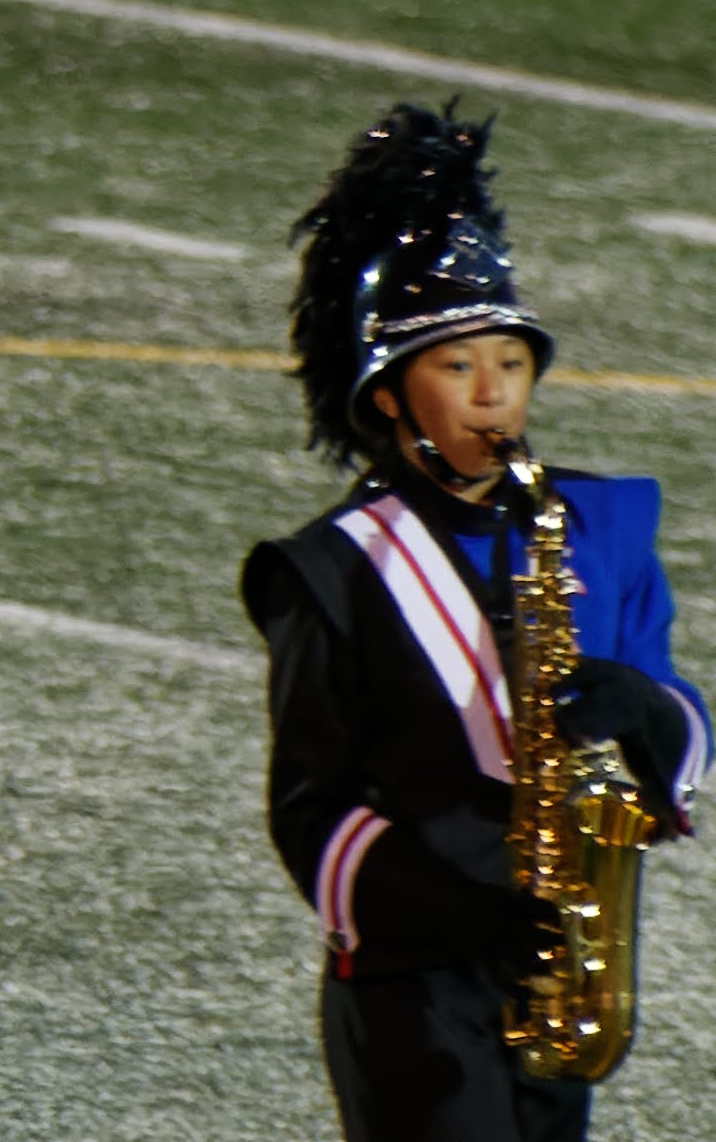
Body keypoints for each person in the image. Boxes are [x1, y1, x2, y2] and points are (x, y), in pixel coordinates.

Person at [247, 104, 698, 1140]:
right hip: (416, 986)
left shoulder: (598, 522)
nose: (494, 394)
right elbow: (313, 817)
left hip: (561, 967)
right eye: (456, 366)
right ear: (391, 396)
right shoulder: (333, 568)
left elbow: (678, 723)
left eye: (511, 360)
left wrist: (649, 711)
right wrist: (471, 917)